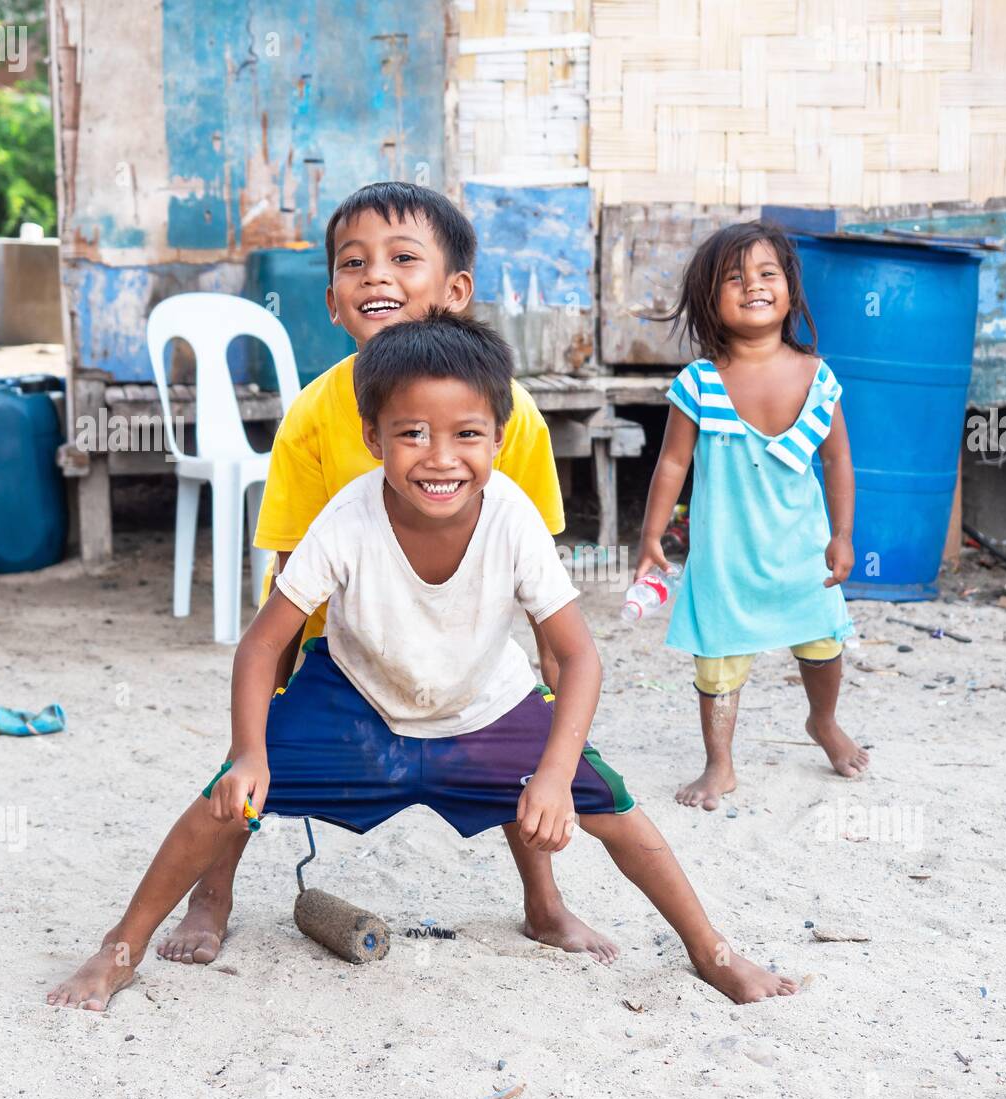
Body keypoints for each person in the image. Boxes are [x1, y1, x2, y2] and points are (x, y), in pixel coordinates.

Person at [47, 314, 800, 1011]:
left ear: (500, 437)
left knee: (623, 817)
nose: (441, 458)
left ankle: (711, 950)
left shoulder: (512, 518)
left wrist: (552, 774)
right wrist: (249, 754)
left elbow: (578, 655)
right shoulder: (346, 519)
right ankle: (121, 950)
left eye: (467, 433)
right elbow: (263, 642)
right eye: (412, 434)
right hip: (355, 700)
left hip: (485, 703)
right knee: (224, 799)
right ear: (375, 439)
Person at [159, 182, 616, 968]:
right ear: (333, 299)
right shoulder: (313, 413)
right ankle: (213, 893)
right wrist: (276, 685)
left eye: (404, 258)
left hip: (471, 633)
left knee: (512, 733)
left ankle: (543, 903)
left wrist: (550, 694)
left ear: (455, 292)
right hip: (348, 636)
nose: (376, 275)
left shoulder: (513, 414)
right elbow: (288, 565)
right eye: (353, 263)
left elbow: (531, 566)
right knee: (252, 758)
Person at [635, 220, 869, 811]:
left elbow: (839, 460)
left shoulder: (818, 376)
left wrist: (843, 536)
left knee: (823, 646)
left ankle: (823, 722)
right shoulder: (700, 382)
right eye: (733, 279)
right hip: (725, 560)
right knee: (717, 666)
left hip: (803, 553)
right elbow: (670, 466)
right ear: (709, 299)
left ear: (789, 287)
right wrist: (651, 535)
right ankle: (720, 764)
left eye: (768, 273)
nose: (752, 286)